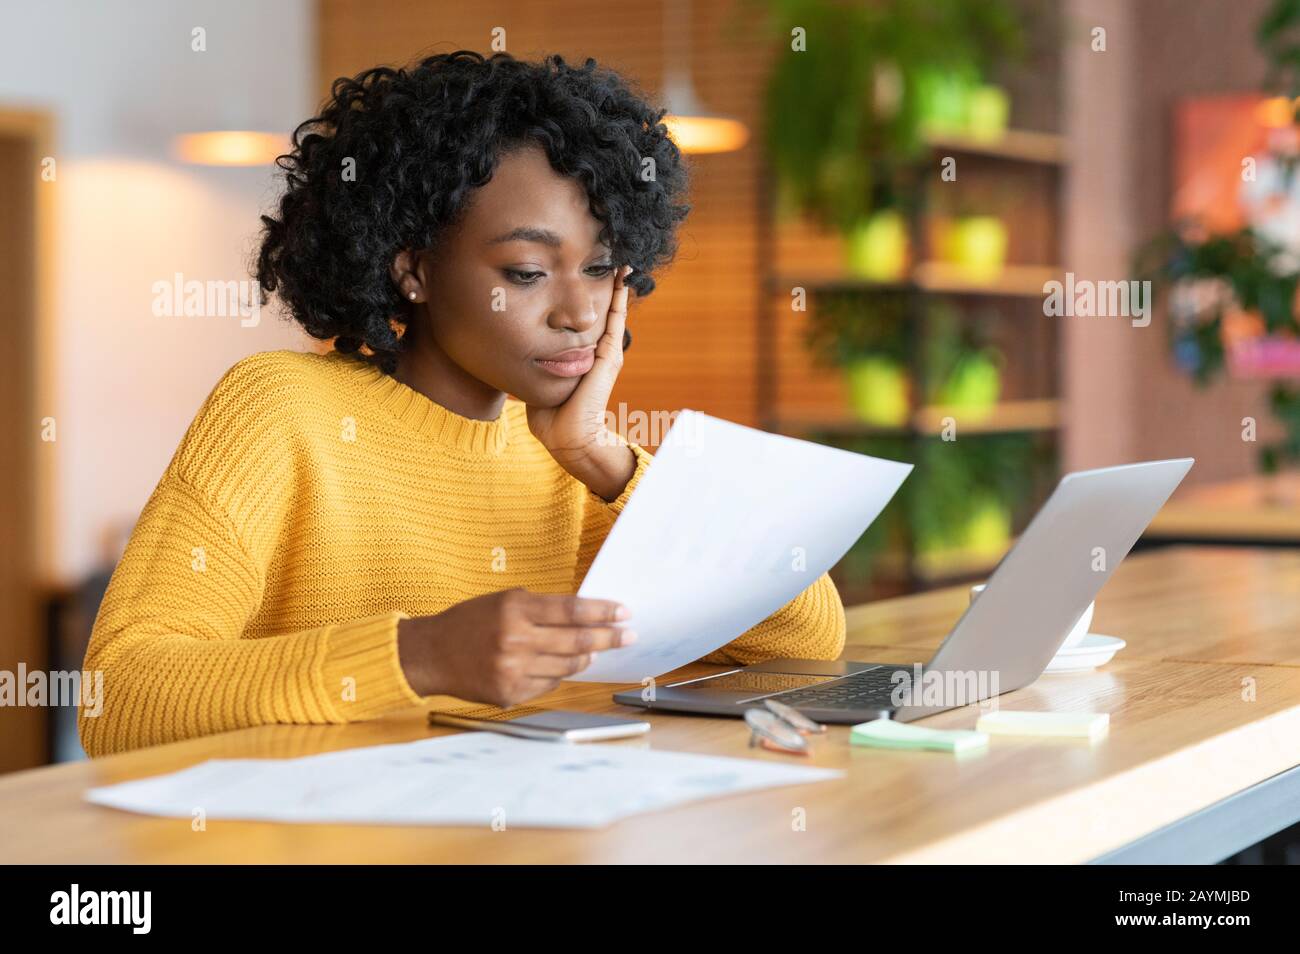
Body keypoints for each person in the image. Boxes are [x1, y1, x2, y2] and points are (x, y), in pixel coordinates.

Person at [79, 50, 845, 757]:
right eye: (525, 272)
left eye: (602, 266)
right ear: (413, 269)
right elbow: (120, 697)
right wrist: (420, 655)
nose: (578, 310)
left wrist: (602, 460)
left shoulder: (569, 459)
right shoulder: (282, 411)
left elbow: (807, 640)